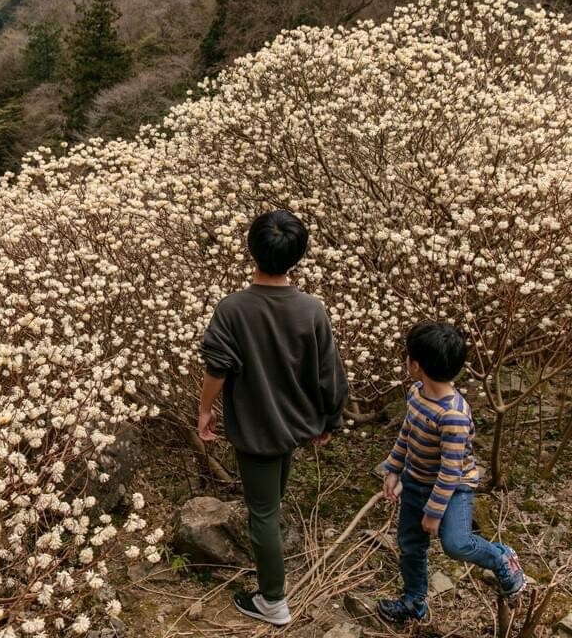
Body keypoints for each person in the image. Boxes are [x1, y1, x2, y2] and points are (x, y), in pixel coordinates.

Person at [198, 209, 348, 626]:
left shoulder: (233, 309)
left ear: (252, 252)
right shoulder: (310, 309)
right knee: (272, 504)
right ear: (297, 257)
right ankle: (273, 579)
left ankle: (272, 601)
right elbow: (329, 371)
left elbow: (217, 368)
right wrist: (330, 419)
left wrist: (205, 410)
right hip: (294, 425)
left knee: (262, 512)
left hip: (257, 428)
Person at [377, 322, 526, 623]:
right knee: (410, 546)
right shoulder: (417, 393)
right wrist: (393, 469)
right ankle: (414, 601)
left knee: (455, 543)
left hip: (453, 488)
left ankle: (500, 558)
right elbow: (407, 434)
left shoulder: (453, 415)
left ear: (415, 365)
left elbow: (450, 471)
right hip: (416, 481)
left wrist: (434, 512)